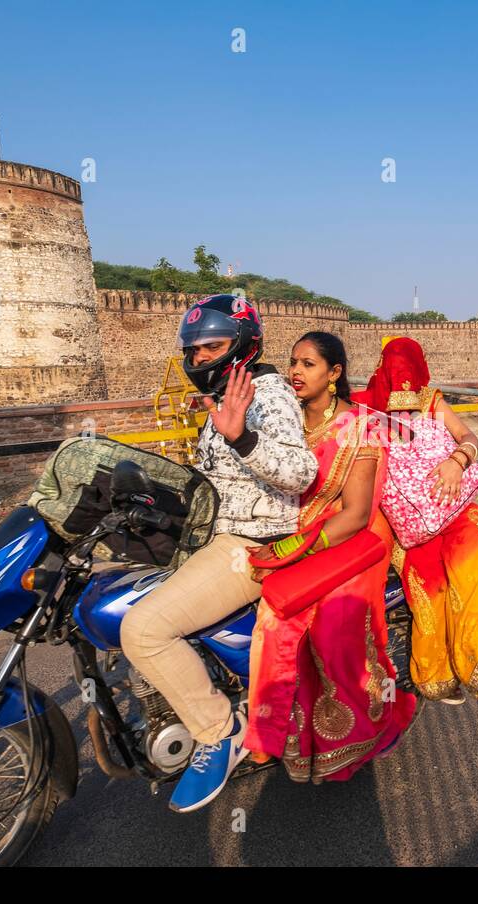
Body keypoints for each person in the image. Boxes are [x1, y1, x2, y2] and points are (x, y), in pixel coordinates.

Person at [119, 294, 318, 813]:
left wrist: (244, 437)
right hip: (216, 533)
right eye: (194, 348)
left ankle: (217, 732)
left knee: (142, 630)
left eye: (213, 346)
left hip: (254, 541)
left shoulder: (265, 394)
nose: (200, 357)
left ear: (244, 343)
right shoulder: (228, 389)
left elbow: (300, 473)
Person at [244, 332, 417, 781]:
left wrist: (289, 550)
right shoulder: (286, 422)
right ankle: (283, 733)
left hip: (351, 538)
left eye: (308, 364)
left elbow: (357, 514)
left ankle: (357, 732)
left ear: (334, 373)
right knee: (273, 614)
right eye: (293, 363)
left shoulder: (362, 427)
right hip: (298, 528)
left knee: (331, 624)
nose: (296, 372)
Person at [354, 337, 478, 705]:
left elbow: (468, 435)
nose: (402, 386)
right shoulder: (365, 405)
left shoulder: (431, 400)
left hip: (449, 506)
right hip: (406, 526)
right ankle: (438, 674)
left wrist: (457, 461)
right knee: (429, 582)